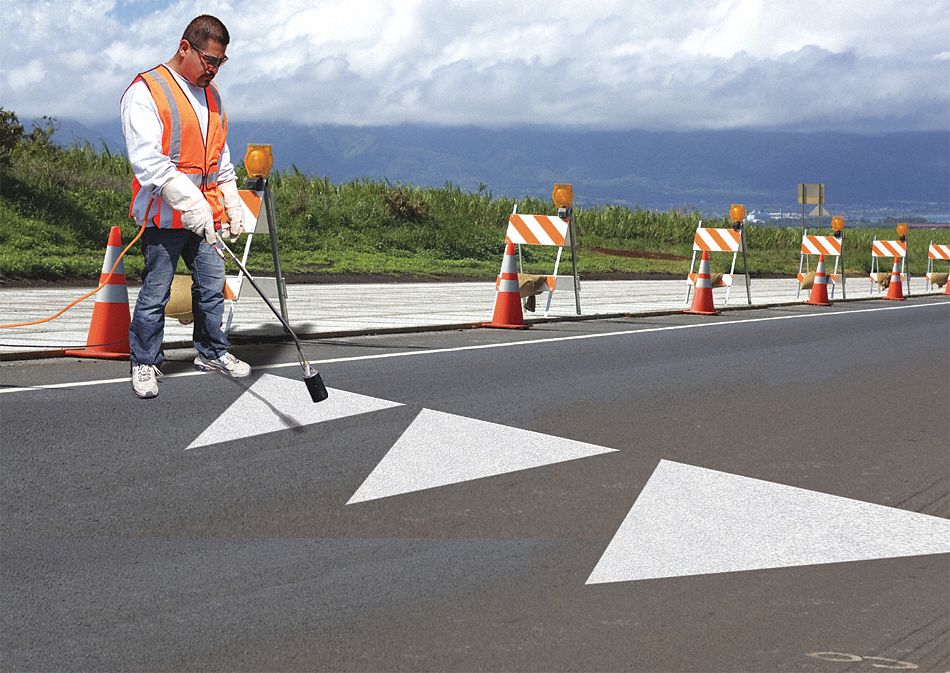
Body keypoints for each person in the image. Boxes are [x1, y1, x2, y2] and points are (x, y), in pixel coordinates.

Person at [121, 14, 250, 399]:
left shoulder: (212, 95)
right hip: (164, 217)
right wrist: (192, 205)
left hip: (206, 218)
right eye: (209, 60)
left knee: (212, 286)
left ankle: (212, 352)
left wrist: (232, 201)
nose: (214, 69)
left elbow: (219, 157)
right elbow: (149, 163)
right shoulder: (147, 91)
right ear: (184, 48)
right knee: (156, 291)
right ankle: (145, 361)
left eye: (220, 62)